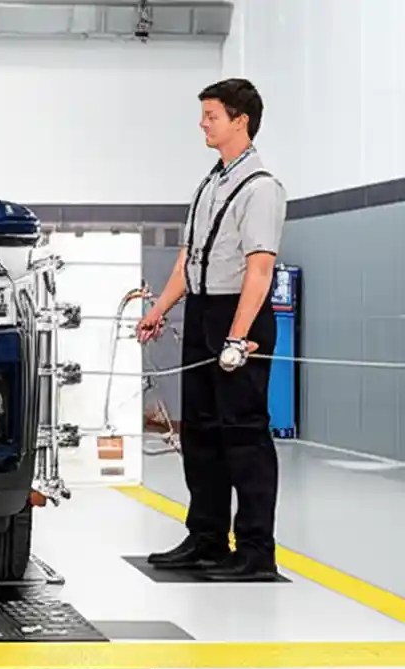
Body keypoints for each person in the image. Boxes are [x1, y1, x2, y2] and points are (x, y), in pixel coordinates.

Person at [136, 78, 286, 582]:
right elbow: (188, 258)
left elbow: (259, 270)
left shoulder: (260, 187)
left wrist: (236, 338)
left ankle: (255, 550)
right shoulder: (210, 184)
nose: (202, 123)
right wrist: (160, 309)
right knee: (199, 432)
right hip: (202, 312)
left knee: (242, 435)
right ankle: (205, 538)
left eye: (211, 115)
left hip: (237, 319)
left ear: (240, 120)